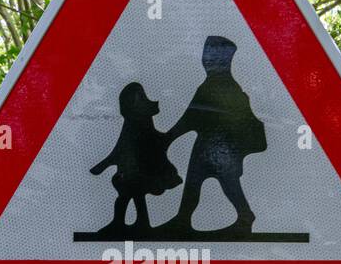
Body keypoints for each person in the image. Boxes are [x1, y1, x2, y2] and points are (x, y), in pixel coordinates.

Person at [163, 35, 266, 235]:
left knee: (224, 184)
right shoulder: (217, 84)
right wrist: (167, 138)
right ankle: (184, 218)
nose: (206, 60)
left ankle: (244, 215)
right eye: (206, 55)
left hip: (220, 148)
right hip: (211, 146)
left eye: (211, 56)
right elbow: (191, 117)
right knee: (198, 182)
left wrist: (167, 138)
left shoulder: (217, 86)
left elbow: (189, 119)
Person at [90, 81, 181, 234]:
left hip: (144, 172)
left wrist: (103, 165)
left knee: (131, 195)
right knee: (128, 196)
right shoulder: (131, 125)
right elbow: (120, 149)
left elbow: (153, 142)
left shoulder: (142, 125)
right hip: (131, 173)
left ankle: (135, 223)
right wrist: (103, 165)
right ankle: (127, 223)